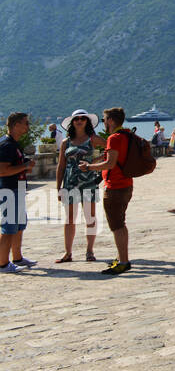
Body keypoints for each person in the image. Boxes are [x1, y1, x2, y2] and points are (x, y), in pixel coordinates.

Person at [79, 107, 133, 275]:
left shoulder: (114, 138)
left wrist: (89, 167)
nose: (103, 123)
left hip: (115, 186)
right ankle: (121, 257)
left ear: (110, 121)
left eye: (103, 120)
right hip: (126, 184)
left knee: (117, 226)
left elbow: (110, 163)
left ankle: (123, 261)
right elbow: (115, 158)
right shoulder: (127, 135)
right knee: (120, 223)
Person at [54, 109, 106, 263]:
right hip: (70, 182)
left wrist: (96, 162)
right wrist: (58, 187)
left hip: (89, 181)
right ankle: (68, 253)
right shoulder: (66, 142)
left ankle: (90, 251)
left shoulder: (93, 139)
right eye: (77, 118)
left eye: (83, 118)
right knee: (70, 218)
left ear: (87, 122)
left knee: (90, 216)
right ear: (72, 122)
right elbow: (61, 166)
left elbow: (111, 149)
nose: (79, 120)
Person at [0, 112, 35, 273]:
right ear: (16, 125)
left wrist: (24, 165)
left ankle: (17, 257)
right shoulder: (7, 145)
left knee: (19, 225)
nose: (28, 126)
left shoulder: (14, 144)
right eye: (25, 123)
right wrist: (25, 166)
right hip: (9, 190)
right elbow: (2, 171)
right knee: (9, 227)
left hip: (18, 189)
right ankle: (3, 263)